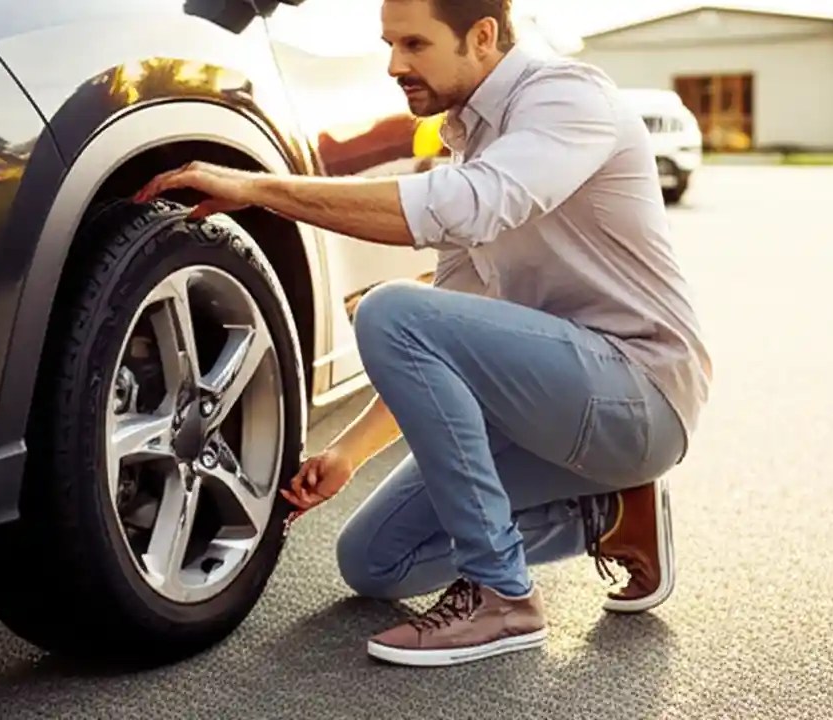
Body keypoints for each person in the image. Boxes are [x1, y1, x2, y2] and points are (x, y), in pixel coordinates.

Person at [134, 0, 711, 668]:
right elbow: (439, 336)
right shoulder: (471, 140)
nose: (393, 65)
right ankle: (610, 514)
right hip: (552, 409)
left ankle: (502, 597)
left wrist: (261, 189)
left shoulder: (567, 99)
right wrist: (349, 454)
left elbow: (462, 213)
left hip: (641, 396)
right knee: (374, 559)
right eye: (388, 43)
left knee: (387, 308)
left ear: (484, 36)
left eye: (414, 43)